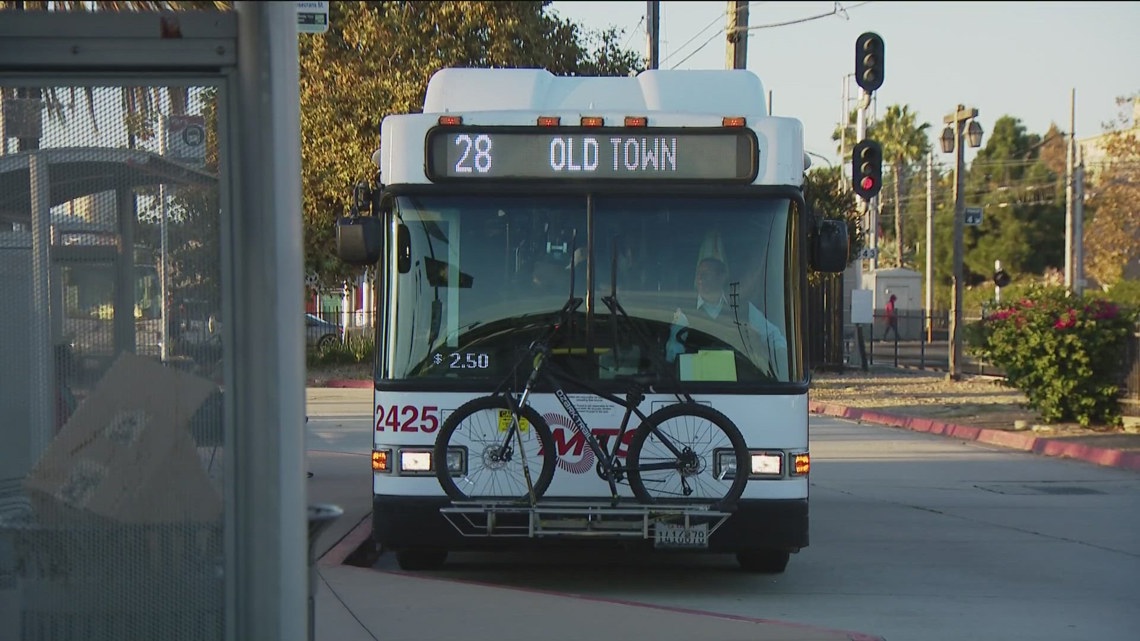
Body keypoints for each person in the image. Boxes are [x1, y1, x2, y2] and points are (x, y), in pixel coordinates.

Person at [664, 257, 787, 372]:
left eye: (706, 274)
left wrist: (780, 356)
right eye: (698, 274)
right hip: (696, 383)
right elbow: (673, 350)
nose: (700, 279)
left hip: (739, 385)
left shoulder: (742, 308)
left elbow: (773, 336)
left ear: (721, 277)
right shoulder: (685, 311)